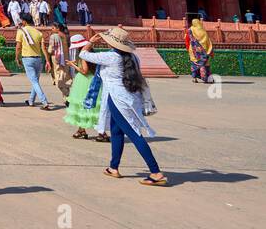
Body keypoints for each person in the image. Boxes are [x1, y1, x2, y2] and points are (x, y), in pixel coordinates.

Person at [81, 28, 167, 186]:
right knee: (116, 131)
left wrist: (92, 41)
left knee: (134, 134)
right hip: (130, 97)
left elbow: (83, 54)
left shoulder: (110, 57)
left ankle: (155, 172)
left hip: (118, 99)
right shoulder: (133, 57)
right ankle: (113, 167)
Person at [63, 34, 102, 139]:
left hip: (84, 81)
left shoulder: (82, 54)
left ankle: (88, 131)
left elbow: (84, 71)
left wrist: (73, 65)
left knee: (82, 105)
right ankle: (84, 130)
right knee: (93, 106)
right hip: (92, 79)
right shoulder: (90, 52)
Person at [15, 13, 52, 109]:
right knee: (35, 81)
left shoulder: (21, 31)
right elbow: (44, 48)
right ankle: (31, 100)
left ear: (24, 21)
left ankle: (44, 102)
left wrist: (16, 58)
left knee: (34, 82)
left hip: (27, 58)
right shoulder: (38, 32)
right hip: (38, 59)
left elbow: (18, 47)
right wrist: (47, 61)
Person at [184, 17, 214, 83]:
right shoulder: (203, 31)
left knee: (194, 64)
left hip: (194, 50)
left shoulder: (190, 30)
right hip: (205, 50)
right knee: (205, 64)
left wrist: (188, 48)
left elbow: (187, 40)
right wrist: (210, 50)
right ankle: (207, 78)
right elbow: (208, 41)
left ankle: (194, 78)